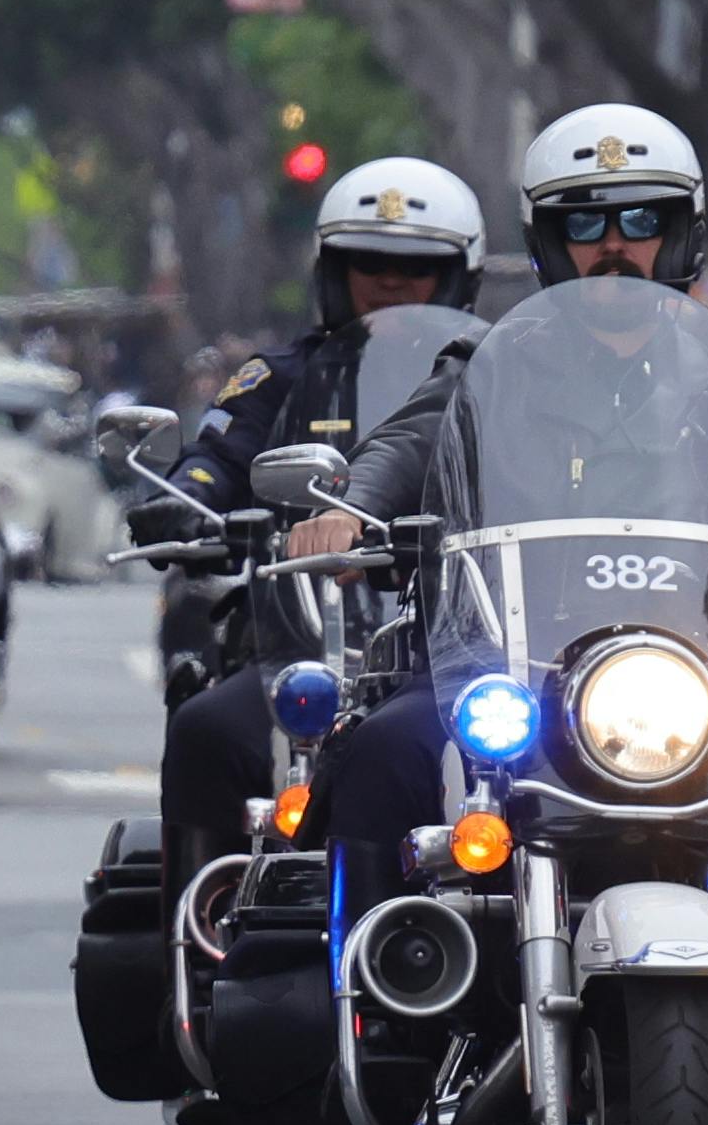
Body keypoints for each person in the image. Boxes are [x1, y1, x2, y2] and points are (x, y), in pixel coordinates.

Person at [276, 105, 708, 892]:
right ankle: (380, 982)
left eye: (641, 220)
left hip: (688, 666)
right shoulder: (489, 363)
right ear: (549, 239)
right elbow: (408, 442)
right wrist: (350, 507)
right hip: (504, 658)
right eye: (584, 223)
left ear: (678, 234)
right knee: (380, 750)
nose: (614, 245)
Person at [141, 151, 485, 885]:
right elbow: (218, 457)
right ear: (333, 269)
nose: (392, 282)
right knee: (207, 728)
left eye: (416, 268)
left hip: (455, 646)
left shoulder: (498, 377)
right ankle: (199, 952)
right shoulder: (284, 377)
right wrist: (186, 498)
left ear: (458, 277)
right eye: (370, 261)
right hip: (309, 641)